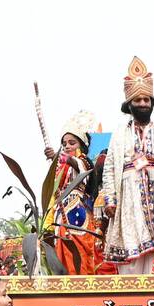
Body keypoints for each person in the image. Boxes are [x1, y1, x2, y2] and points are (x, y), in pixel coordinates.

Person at [99, 58, 154, 275]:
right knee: (132, 257)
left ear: (152, 103)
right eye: (138, 100)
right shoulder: (119, 134)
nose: (143, 103)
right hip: (129, 199)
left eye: (146, 99)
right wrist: (110, 199)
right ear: (129, 105)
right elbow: (109, 169)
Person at [44, 112, 103, 276]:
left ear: (81, 146)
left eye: (72, 143)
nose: (67, 146)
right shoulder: (61, 168)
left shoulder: (83, 161)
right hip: (60, 219)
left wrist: (59, 156)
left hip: (77, 219)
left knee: (79, 260)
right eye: (64, 144)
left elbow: (77, 164)